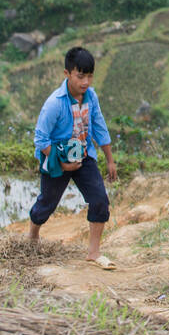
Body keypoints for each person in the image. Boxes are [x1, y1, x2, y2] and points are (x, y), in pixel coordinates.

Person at [29, 46, 118, 268]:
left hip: (84, 153)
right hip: (56, 155)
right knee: (47, 203)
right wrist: (61, 163)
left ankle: (94, 252)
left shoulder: (91, 96)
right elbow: (41, 140)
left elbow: (99, 127)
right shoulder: (54, 104)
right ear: (67, 74)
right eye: (80, 76)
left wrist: (109, 159)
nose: (85, 82)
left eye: (89, 76)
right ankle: (32, 236)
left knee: (100, 199)